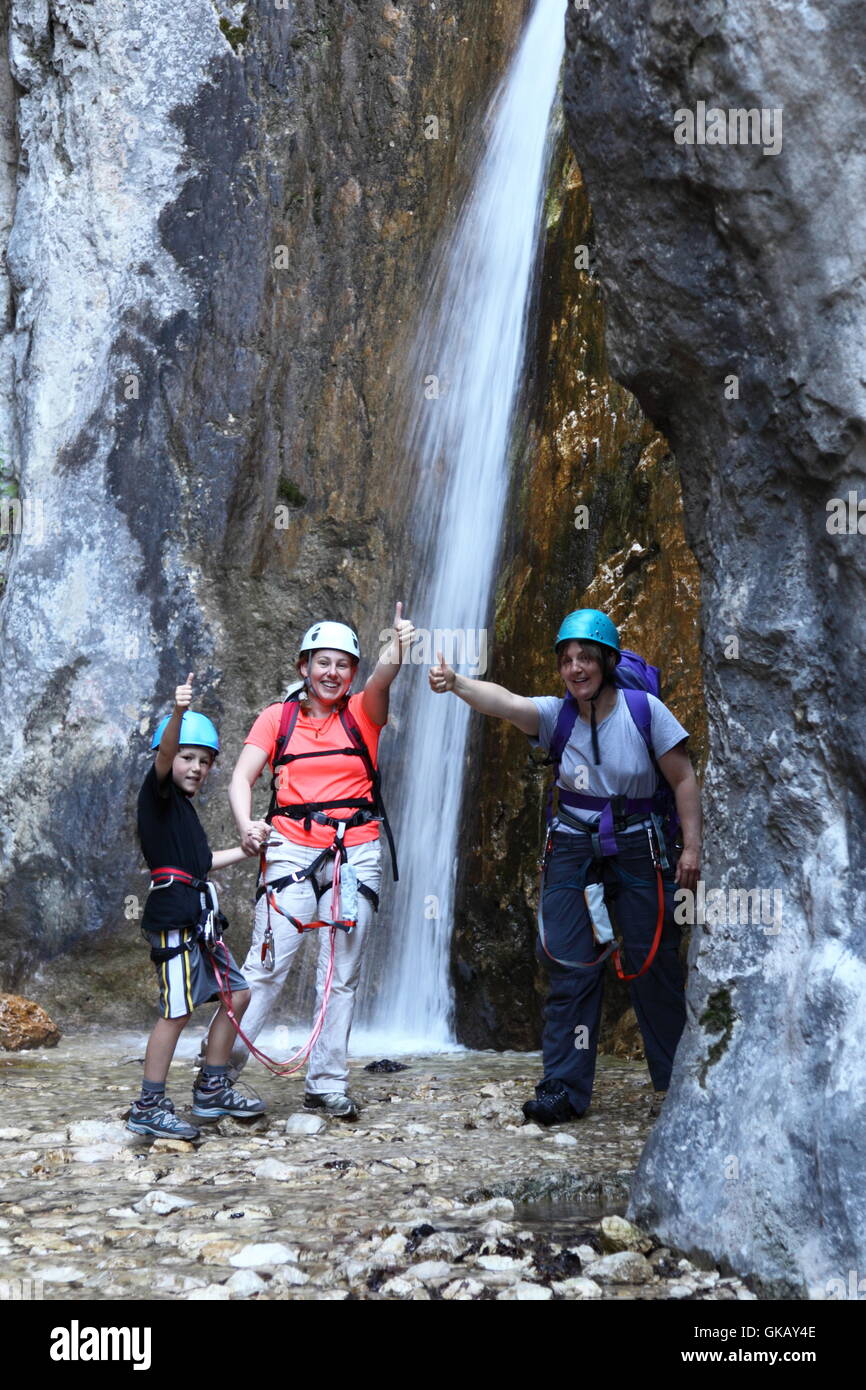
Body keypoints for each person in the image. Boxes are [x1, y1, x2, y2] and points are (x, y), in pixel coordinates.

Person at [429, 609, 701, 1125]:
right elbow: (506, 703)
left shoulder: (645, 711)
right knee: (570, 966)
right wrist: (458, 682)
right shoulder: (557, 716)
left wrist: (691, 849)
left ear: (607, 661)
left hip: (640, 844)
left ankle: (676, 1083)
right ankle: (563, 1089)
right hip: (573, 846)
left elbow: (683, 778)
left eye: (586, 658)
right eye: (568, 660)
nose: (576, 668)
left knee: (653, 966)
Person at [225, 606, 412, 1120]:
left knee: (340, 975)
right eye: (322, 663)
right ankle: (221, 1073)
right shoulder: (276, 718)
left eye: (343, 665)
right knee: (265, 967)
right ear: (303, 665)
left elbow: (385, 675)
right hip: (291, 847)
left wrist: (398, 644)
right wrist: (246, 826)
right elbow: (242, 778)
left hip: (357, 851)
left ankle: (326, 1082)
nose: (332, 673)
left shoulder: (364, 713)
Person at [128, 674, 266, 1140]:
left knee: (238, 993)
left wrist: (248, 849)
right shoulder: (158, 794)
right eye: (189, 757)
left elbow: (203, 863)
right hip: (172, 917)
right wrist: (179, 713)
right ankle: (148, 1104)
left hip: (198, 917)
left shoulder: (185, 814)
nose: (196, 767)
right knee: (177, 1009)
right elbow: (164, 756)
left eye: (205, 762)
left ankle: (212, 1086)